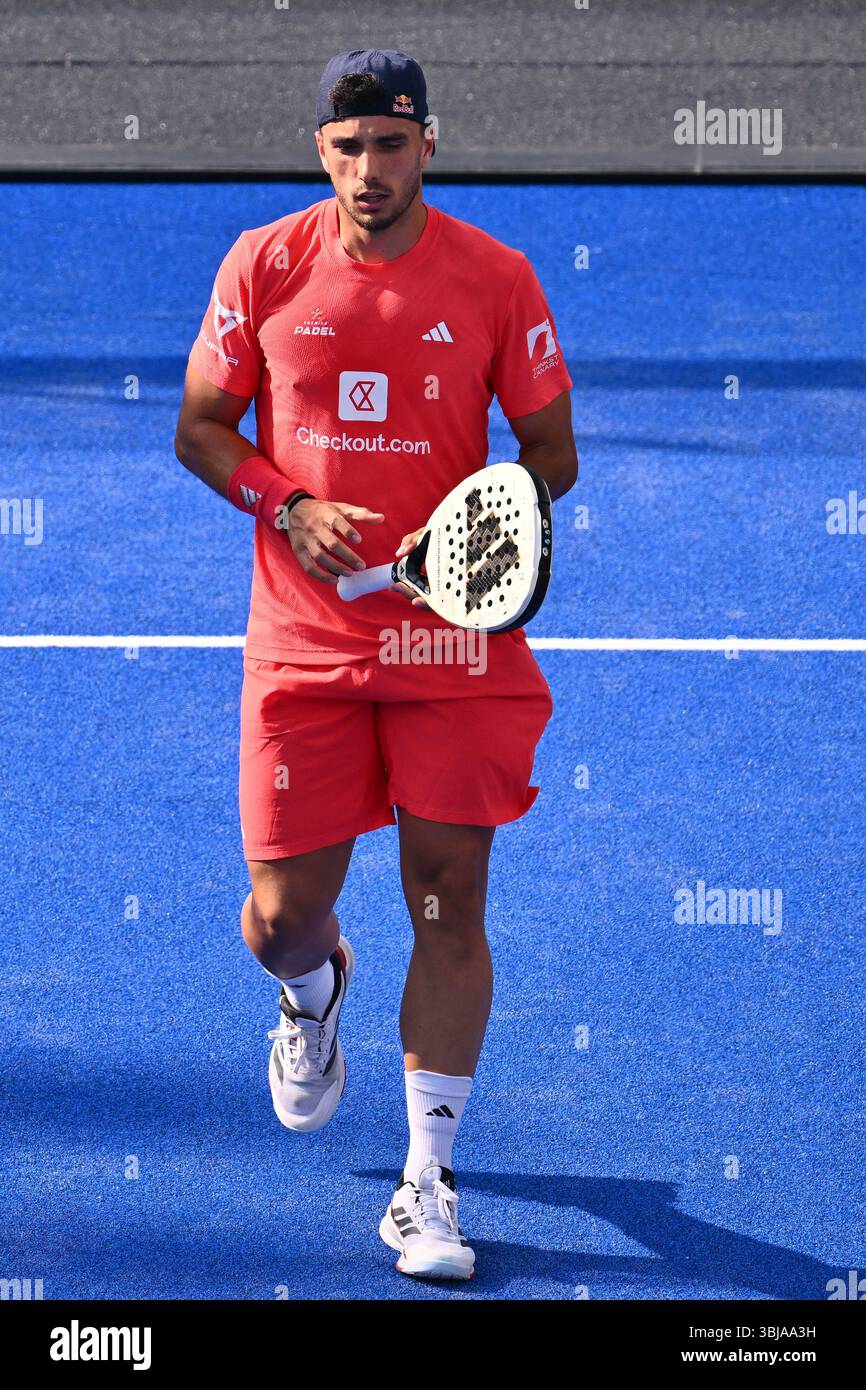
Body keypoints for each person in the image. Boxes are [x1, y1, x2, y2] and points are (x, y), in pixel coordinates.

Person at [174, 47, 577, 1281]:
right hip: (304, 644)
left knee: (449, 897)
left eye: (388, 146)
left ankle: (426, 1182)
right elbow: (200, 426)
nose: (366, 170)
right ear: (320, 151)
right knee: (282, 919)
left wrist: (462, 539)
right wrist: (285, 502)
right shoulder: (263, 265)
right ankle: (314, 994)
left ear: (427, 146)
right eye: (345, 148)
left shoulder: (496, 280)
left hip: (452, 639)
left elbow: (546, 458)